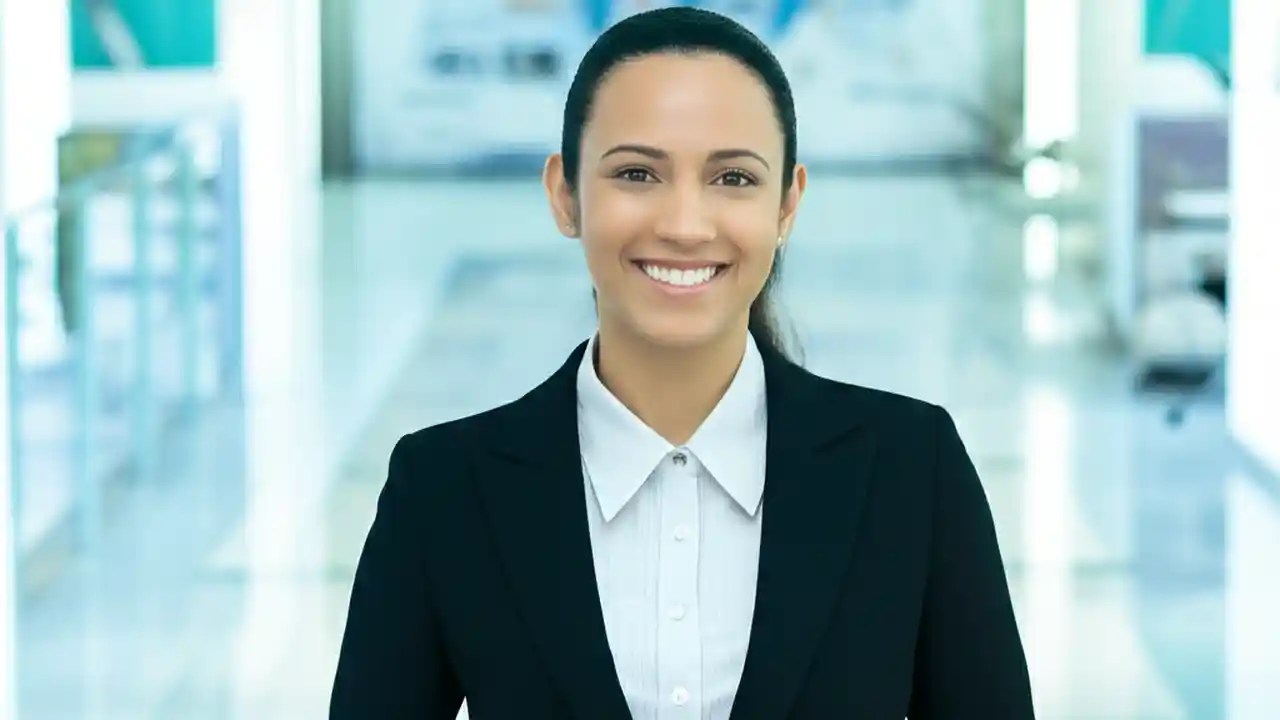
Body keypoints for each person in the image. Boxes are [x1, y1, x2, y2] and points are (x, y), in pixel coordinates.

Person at [330, 7, 1034, 719]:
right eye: (637, 173)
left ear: (788, 204)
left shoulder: (912, 471)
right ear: (565, 193)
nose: (685, 225)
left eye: (733, 179)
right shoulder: (445, 490)